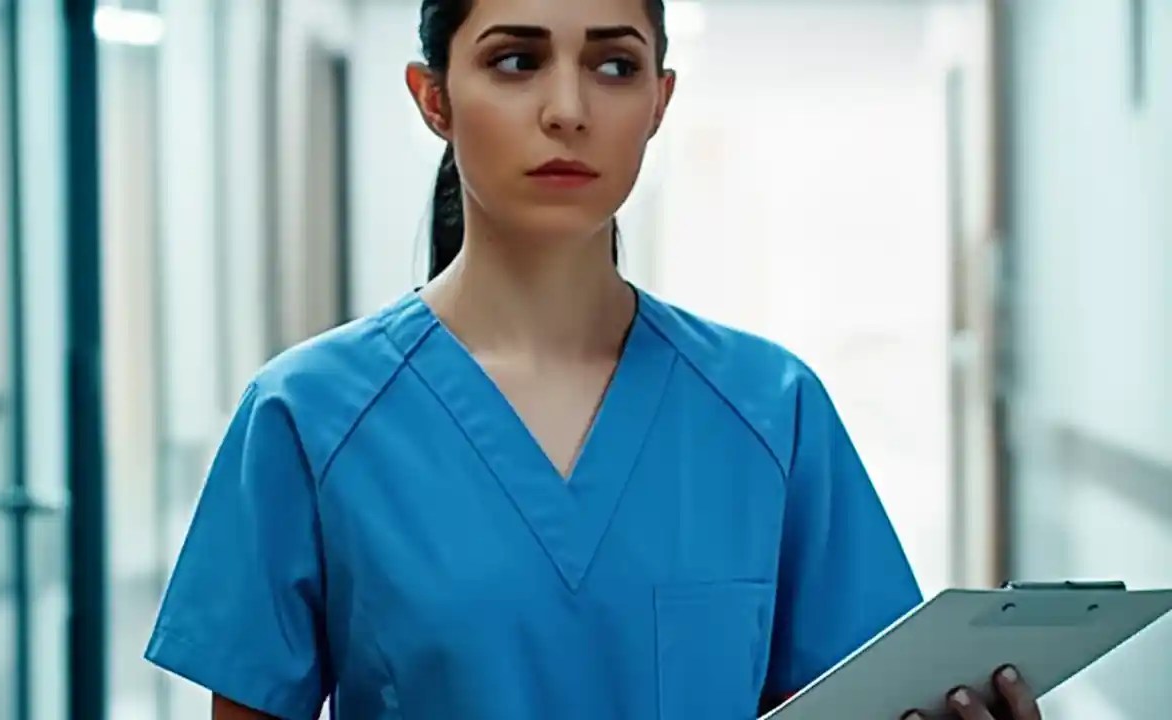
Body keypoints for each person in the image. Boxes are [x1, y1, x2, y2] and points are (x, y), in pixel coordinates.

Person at [145, 1, 1045, 719]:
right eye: (515, 60)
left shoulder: (772, 411)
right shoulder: (309, 418)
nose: (567, 109)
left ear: (659, 99)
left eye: (614, 65)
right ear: (434, 98)